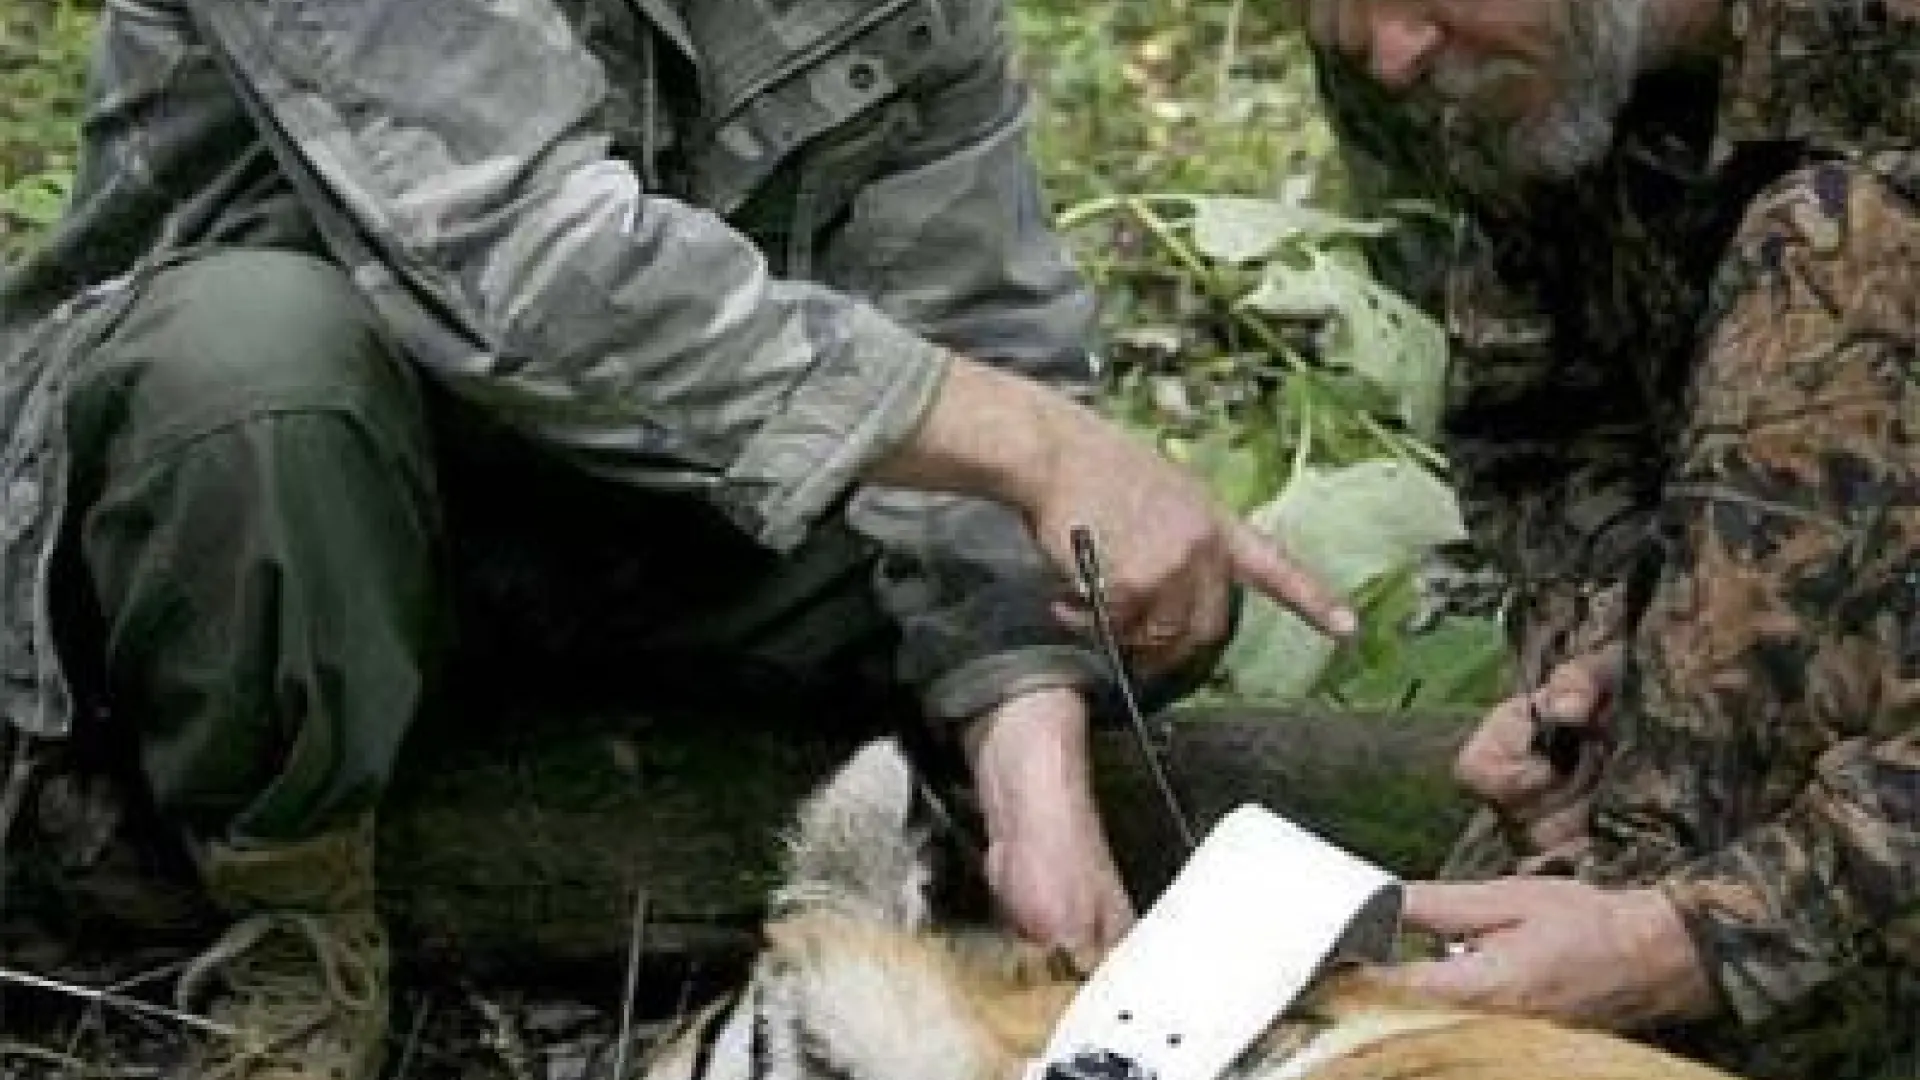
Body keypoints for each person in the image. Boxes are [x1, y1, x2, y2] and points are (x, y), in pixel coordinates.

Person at [0, 1, 1358, 1077]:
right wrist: (1033, 441)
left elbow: (977, 317)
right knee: (264, 370)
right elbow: (524, 266)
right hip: (266, 501)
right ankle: (286, 917)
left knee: (1131, 578)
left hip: (635, 495)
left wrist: (1034, 779)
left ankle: (916, 833)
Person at [1303, 1, 1919, 1077]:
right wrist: (1602, 665)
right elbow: (1544, 432)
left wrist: (1687, 940)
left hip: (1843, 869)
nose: (1388, 53)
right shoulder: (1522, 72)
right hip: (1713, 835)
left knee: (1838, 239)